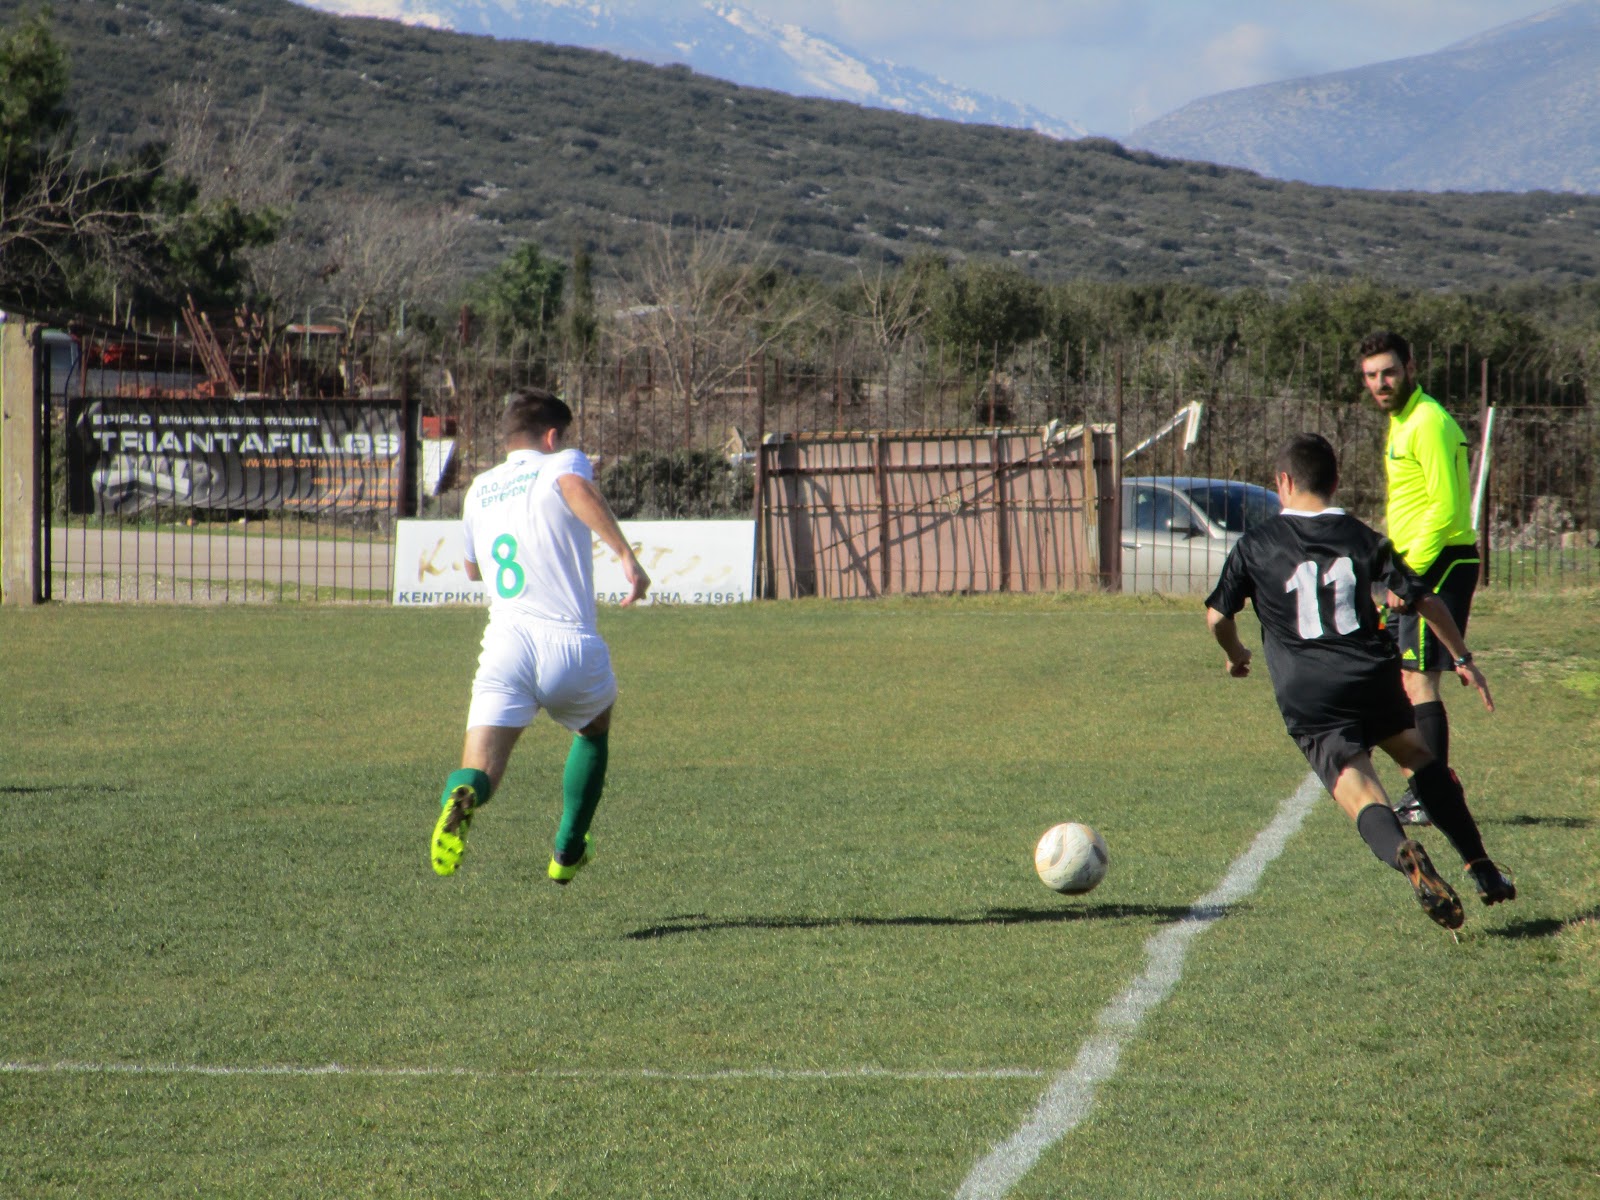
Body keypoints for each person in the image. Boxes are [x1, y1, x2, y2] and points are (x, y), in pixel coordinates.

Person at [1205, 432, 1515, 932]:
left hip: (1308, 692)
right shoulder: (1363, 537)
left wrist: (1236, 654)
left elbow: (1217, 616)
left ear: (1283, 482)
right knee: (1418, 757)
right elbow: (1425, 600)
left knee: (1359, 791)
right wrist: (1462, 658)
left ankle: (1403, 853)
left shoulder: (1256, 544)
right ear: (1336, 481)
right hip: (1369, 675)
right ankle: (1480, 864)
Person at [429, 388, 650, 883]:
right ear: (552, 436)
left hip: (505, 646)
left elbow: (470, 569)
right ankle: (568, 849)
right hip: (567, 642)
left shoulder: (479, 489)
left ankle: (462, 794)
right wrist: (623, 555)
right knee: (593, 730)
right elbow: (575, 486)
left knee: (482, 769)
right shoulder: (562, 462)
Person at [1358, 330, 1481, 827]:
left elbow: (1446, 506)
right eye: (1371, 376)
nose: (1381, 383)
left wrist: (1409, 574)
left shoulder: (1428, 421)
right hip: (1414, 562)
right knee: (1405, 678)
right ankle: (1431, 788)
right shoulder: (1402, 419)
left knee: (1419, 677)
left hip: (1440, 560)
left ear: (1410, 367)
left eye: (1389, 372)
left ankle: (1431, 795)